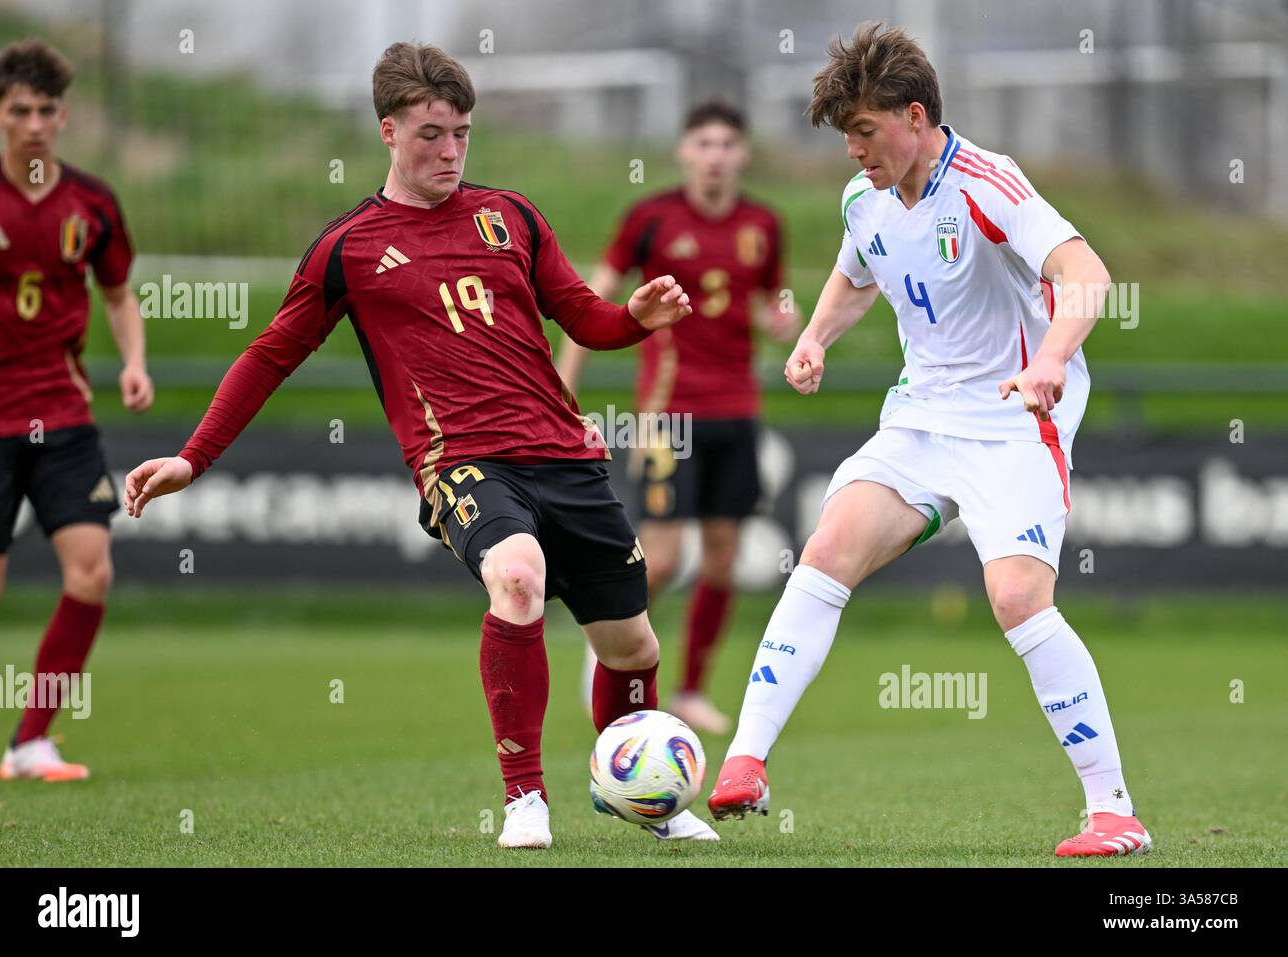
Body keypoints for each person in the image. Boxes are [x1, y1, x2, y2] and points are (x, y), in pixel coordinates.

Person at [122, 42, 717, 848]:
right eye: (432, 134)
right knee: (517, 576)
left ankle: (641, 797)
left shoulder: (510, 215)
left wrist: (634, 320)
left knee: (631, 643)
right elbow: (271, 353)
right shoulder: (349, 248)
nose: (449, 150)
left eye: (462, 133)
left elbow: (582, 316)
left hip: (565, 453)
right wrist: (195, 455)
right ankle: (525, 799)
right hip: (460, 461)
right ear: (388, 132)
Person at [707, 22, 1152, 858]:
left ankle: (1114, 811)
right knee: (827, 544)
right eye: (846, 137)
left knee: (1019, 598)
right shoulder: (863, 197)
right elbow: (858, 270)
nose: (853, 152)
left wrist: (1052, 359)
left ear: (916, 117)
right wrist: (816, 337)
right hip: (920, 416)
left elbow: (1085, 275)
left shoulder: (988, 182)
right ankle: (745, 761)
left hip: (1014, 421)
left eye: (865, 132)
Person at [558, 101, 799, 734]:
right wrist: (563, 386)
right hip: (670, 415)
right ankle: (607, 649)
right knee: (661, 557)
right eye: (703, 143)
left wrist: (784, 321)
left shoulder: (764, 224)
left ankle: (691, 690)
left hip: (737, 411)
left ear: (742, 153)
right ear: (684, 152)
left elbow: (773, 301)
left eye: (727, 143)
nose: (715, 155)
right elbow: (589, 302)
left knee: (722, 558)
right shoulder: (651, 218)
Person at [0, 39, 153, 782]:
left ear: (63, 116)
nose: (33, 123)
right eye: (18, 109)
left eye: (46, 109)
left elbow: (118, 295)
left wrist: (134, 362)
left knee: (91, 571)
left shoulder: (92, 202)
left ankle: (30, 739)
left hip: (62, 416)